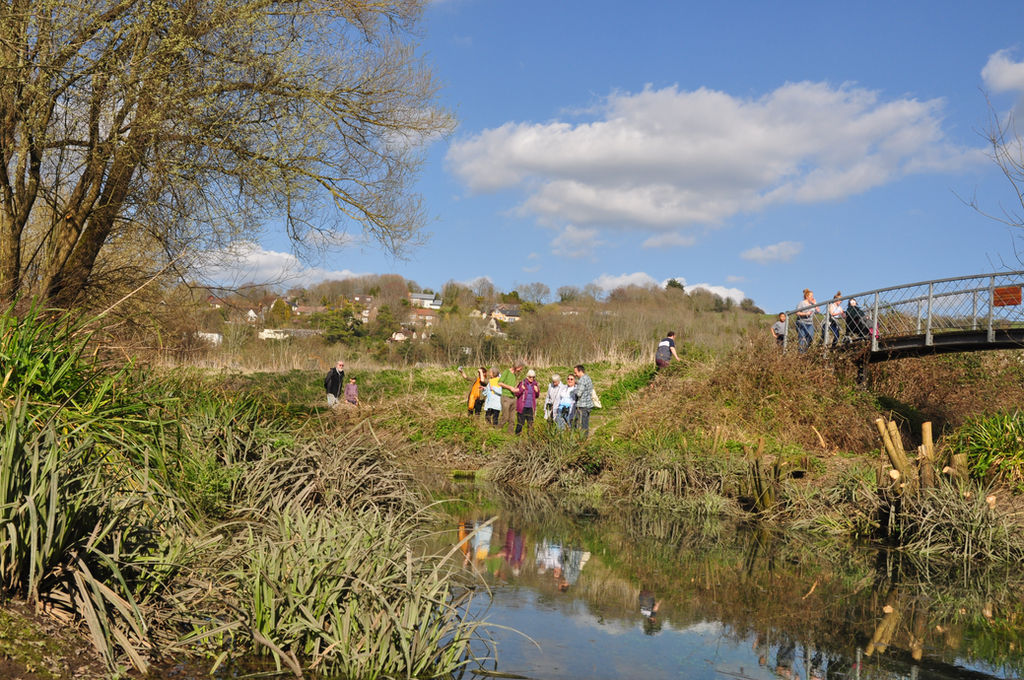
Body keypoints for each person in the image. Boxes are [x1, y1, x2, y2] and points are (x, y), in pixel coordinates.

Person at [511, 369, 540, 435]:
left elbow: (537, 396)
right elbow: (516, 394)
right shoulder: (522, 383)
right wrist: (521, 389)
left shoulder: (535, 384)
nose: (532, 378)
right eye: (530, 377)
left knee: (530, 423)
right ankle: (517, 436)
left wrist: (537, 391)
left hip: (530, 407)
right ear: (527, 377)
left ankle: (530, 437)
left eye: (533, 377)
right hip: (522, 406)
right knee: (520, 423)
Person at [571, 364, 594, 437]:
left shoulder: (582, 380)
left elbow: (578, 393)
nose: (575, 374)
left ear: (580, 371)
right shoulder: (588, 378)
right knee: (586, 424)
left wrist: (573, 391)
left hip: (582, 406)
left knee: (581, 425)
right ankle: (585, 439)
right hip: (588, 405)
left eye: (576, 372)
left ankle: (582, 440)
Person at [795, 289, 817, 353]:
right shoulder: (802, 303)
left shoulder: (812, 304)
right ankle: (801, 353)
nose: (813, 297)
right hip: (802, 322)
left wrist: (815, 304)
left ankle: (805, 350)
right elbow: (797, 312)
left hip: (810, 323)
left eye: (813, 296)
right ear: (807, 296)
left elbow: (818, 311)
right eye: (811, 296)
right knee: (802, 337)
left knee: (811, 337)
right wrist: (805, 314)